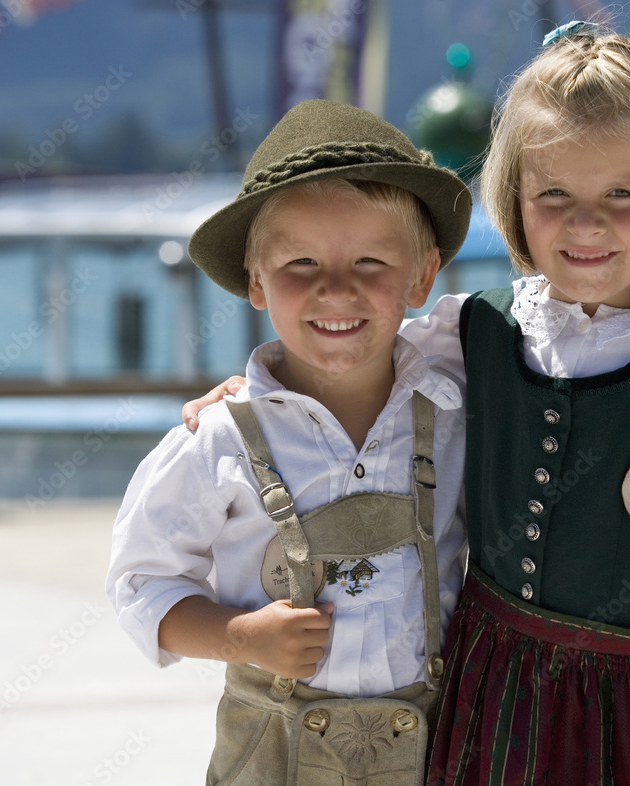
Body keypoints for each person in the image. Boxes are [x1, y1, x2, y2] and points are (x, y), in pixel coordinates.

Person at [183, 25, 630, 786]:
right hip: (494, 683)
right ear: (516, 202)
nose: (587, 223)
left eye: (622, 194)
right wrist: (264, 386)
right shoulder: (471, 330)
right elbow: (354, 353)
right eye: (555, 194)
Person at [105, 98, 473, 786]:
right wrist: (235, 637)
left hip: (439, 748)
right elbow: (141, 582)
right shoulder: (219, 438)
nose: (337, 289)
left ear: (422, 276)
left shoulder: (456, 411)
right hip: (267, 755)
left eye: (371, 262)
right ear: (255, 281)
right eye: (300, 263)